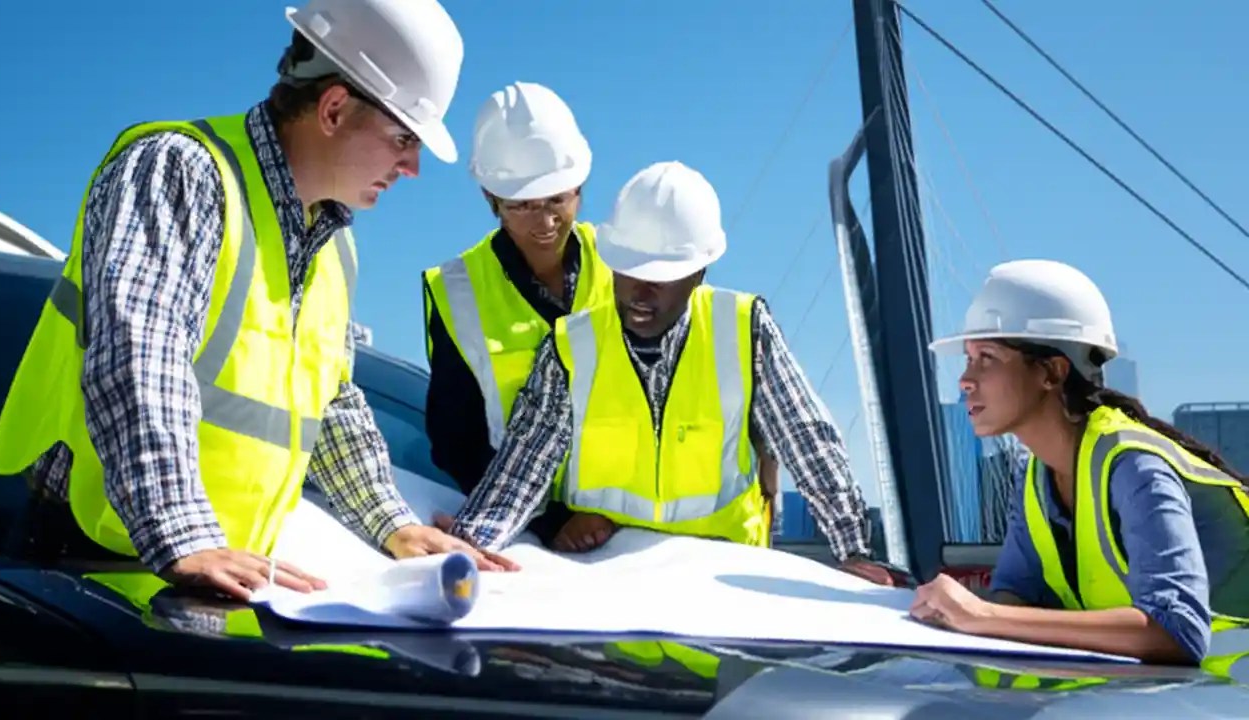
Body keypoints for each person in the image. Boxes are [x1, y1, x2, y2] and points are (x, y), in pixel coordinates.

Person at [0, 0, 517, 604]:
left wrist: (393, 524)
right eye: (403, 137)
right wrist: (183, 531)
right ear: (334, 108)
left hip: (219, 572)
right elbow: (140, 352)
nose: (412, 166)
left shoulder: (334, 249)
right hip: (90, 570)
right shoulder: (182, 171)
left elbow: (332, 405)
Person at [447, 160, 894, 584]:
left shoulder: (744, 329)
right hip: (603, 579)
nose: (641, 292)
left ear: (698, 273)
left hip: (720, 579)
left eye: (661, 277)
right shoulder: (570, 347)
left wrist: (852, 550)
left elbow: (806, 438)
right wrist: (470, 542)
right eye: (629, 272)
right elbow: (524, 463)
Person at [912, 259, 1249, 669]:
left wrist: (982, 615)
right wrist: (960, 616)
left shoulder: (1136, 468)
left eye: (987, 357)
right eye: (967, 359)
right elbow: (1018, 591)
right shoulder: (1035, 476)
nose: (965, 379)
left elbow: (1178, 631)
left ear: (1052, 372)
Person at [421, 82, 619, 550]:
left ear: (579, 188)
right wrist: (550, 522)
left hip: (632, 526)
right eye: (524, 206)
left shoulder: (623, 260)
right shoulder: (457, 292)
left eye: (557, 199)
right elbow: (456, 441)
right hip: (529, 538)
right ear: (493, 200)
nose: (545, 221)